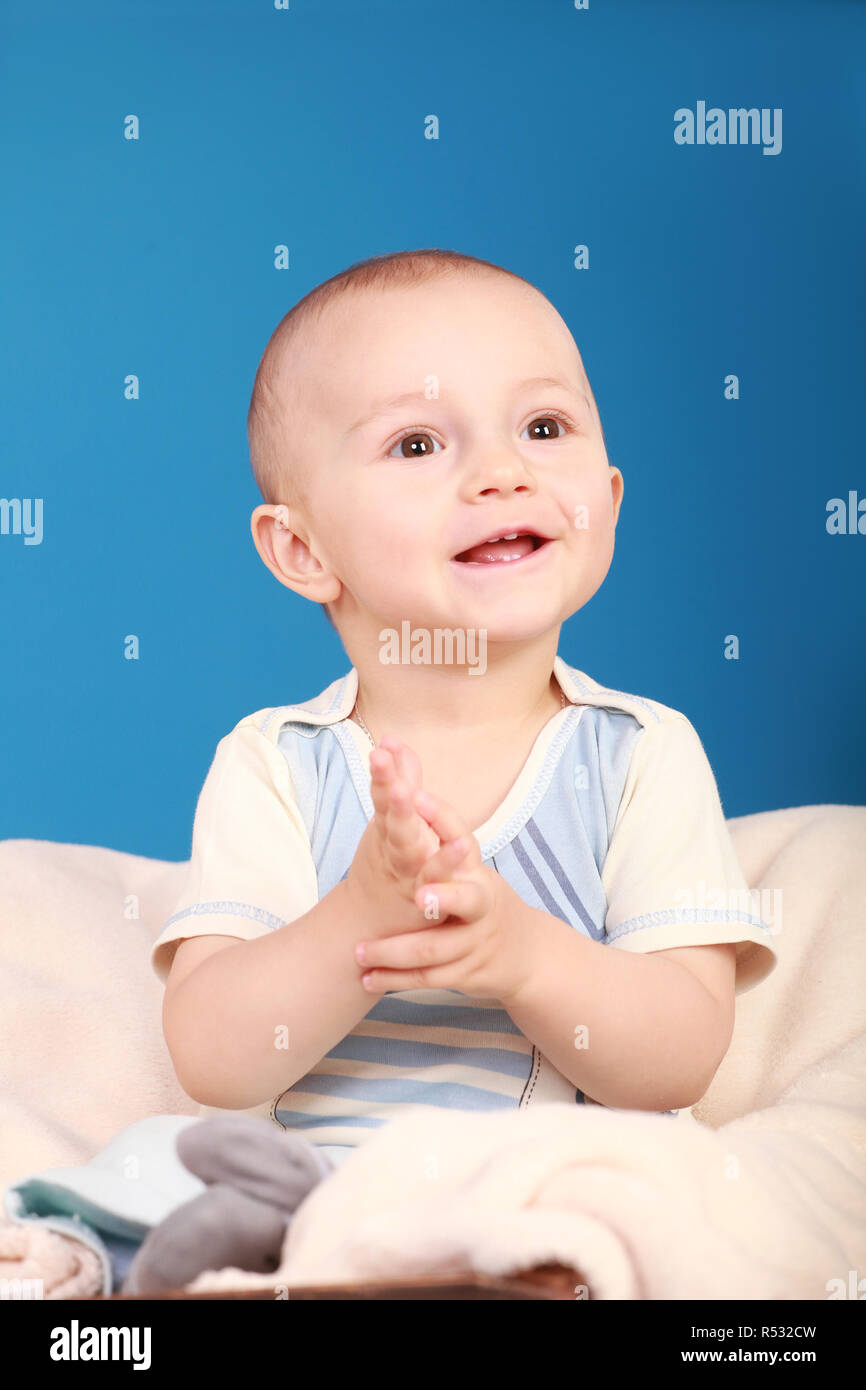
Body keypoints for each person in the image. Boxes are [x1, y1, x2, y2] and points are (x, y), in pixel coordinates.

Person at [129, 248, 778, 1291]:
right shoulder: (276, 764)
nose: (500, 472)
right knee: (144, 1170)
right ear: (302, 552)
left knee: (684, 1200)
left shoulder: (639, 753)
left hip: (549, 1187)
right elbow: (213, 1054)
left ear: (604, 500)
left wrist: (522, 955)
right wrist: (360, 910)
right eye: (418, 441)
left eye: (542, 427)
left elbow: (679, 1051)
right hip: (322, 1191)